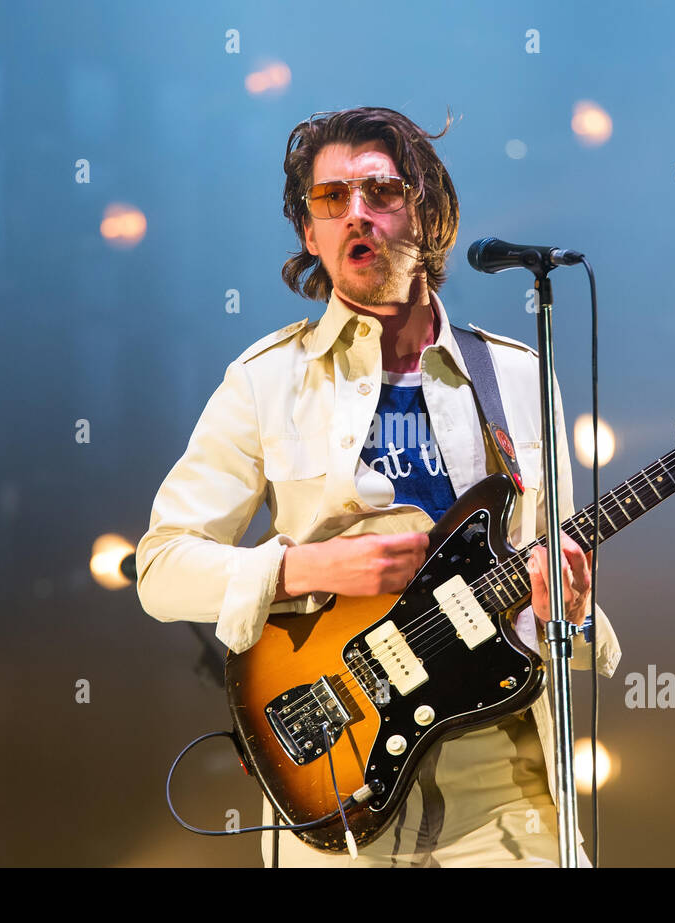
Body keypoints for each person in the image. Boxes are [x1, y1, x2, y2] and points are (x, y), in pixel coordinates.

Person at [136, 106, 621, 867]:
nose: (355, 212)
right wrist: (306, 566)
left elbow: (544, 587)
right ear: (309, 231)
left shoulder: (518, 377)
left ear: (426, 212)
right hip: (339, 785)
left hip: (503, 791)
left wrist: (572, 613)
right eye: (331, 198)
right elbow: (160, 569)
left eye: (380, 191)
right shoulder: (265, 382)